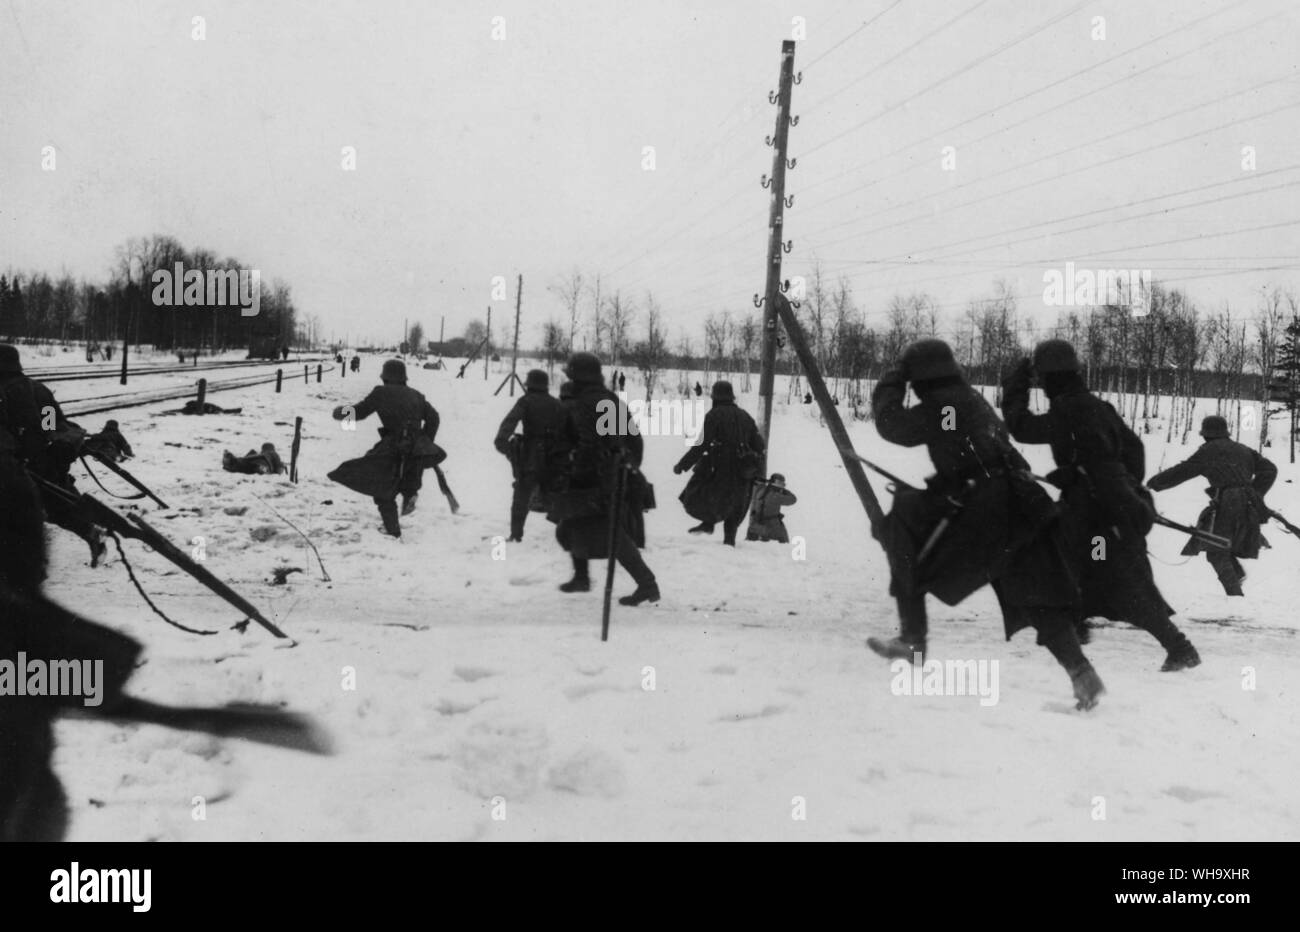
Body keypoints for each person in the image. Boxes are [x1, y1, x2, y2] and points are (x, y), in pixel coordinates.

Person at [868, 338, 1105, 710]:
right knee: (1031, 591)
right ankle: (1081, 673)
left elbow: (893, 426)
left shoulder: (944, 403)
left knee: (900, 530)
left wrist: (890, 382)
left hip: (981, 504)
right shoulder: (970, 399)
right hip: (1018, 503)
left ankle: (913, 639)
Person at [1001, 339, 1200, 671]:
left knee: (1112, 579)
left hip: (1094, 515)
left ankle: (1178, 647)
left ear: (1049, 379)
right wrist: (1116, 482)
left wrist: (1015, 386)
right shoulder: (1099, 407)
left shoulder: (1067, 409)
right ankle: (1079, 626)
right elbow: (1133, 449)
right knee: (1086, 568)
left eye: (1042, 379)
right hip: (1111, 507)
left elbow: (1021, 428)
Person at [548, 352, 659, 605]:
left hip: (594, 479)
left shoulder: (584, 403)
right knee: (573, 525)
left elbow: (588, 444)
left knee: (611, 535)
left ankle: (647, 584)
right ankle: (582, 577)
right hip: (617, 476)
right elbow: (635, 441)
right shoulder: (611, 400)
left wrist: (576, 473)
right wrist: (628, 467)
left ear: (577, 377)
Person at [1147, 415, 1277, 596]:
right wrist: (1255, 493)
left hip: (1227, 503)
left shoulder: (1208, 451)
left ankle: (1235, 596)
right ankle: (1236, 575)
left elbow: (1183, 471)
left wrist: (1154, 483)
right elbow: (1270, 469)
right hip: (1246, 503)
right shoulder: (1243, 449)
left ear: (1206, 434)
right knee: (1223, 542)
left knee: (1215, 548)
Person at [0, 344, 105, 565]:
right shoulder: (38, 389)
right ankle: (90, 531)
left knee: (26, 509)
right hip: (44, 458)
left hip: (16, 463)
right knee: (57, 505)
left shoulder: (4, 393)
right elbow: (52, 423)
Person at [329, 359, 443, 538]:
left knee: (381, 483)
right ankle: (410, 494)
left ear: (387, 377)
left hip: (394, 445)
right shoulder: (416, 395)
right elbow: (434, 418)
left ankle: (393, 530)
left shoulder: (381, 393)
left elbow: (360, 411)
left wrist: (339, 412)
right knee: (406, 475)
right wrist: (424, 442)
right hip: (415, 447)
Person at [674, 380, 764, 546]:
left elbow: (702, 444)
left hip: (719, 467)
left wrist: (682, 465)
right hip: (742, 469)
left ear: (715, 397)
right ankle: (728, 541)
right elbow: (760, 445)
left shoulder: (714, 415)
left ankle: (708, 523)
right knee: (735, 504)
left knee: (699, 494)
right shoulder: (745, 416)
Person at [494, 369, 569, 542]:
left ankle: (516, 535)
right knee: (555, 495)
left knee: (521, 496)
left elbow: (506, 428)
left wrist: (510, 451)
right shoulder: (557, 404)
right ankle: (568, 536)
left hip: (530, 456)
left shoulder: (525, 401)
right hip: (553, 457)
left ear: (530, 385)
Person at [746, 473, 796, 543]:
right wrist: (784, 490)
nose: (781, 486)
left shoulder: (760, 489)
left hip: (755, 524)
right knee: (783, 544)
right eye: (780, 483)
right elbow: (793, 499)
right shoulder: (775, 496)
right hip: (771, 526)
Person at [222, 443, 287, 475]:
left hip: (250, 459)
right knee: (258, 467)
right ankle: (262, 468)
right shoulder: (273, 453)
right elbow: (278, 468)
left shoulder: (259, 454)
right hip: (263, 463)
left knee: (242, 464)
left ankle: (231, 459)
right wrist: (282, 466)